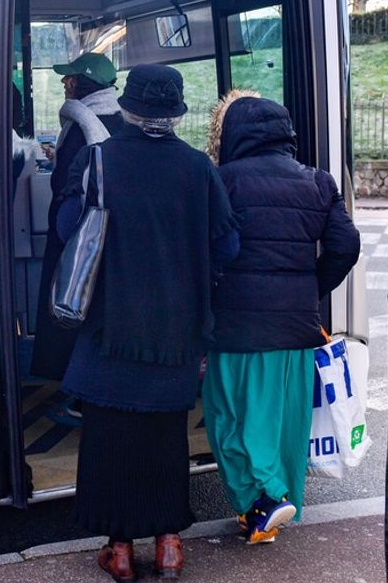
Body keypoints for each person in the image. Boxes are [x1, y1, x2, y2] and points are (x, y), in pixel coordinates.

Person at [56, 64, 239, 582]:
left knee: (110, 437)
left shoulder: (100, 161)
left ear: (128, 110)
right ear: (175, 114)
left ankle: (118, 550)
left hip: (109, 328)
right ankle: (169, 546)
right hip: (175, 332)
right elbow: (227, 245)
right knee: (164, 438)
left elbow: (69, 228)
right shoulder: (199, 169)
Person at [202, 90, 360, 544]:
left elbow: (205, 251)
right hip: (294, 328)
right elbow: (345, 247)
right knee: (283, 421)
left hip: (234, 327)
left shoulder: (221, 180)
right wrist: (309, 288)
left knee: (232, 419)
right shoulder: (317, 181)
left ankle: (265, 499)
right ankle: (267, 509)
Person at [29, 53, 123, 419]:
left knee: (73, 312)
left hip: (82, 239)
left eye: (69, 79)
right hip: (113, 241)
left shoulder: (82, 124)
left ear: (83, 84)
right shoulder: (119, 119)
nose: (65, 84)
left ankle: (82, 394)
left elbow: (72, 185)